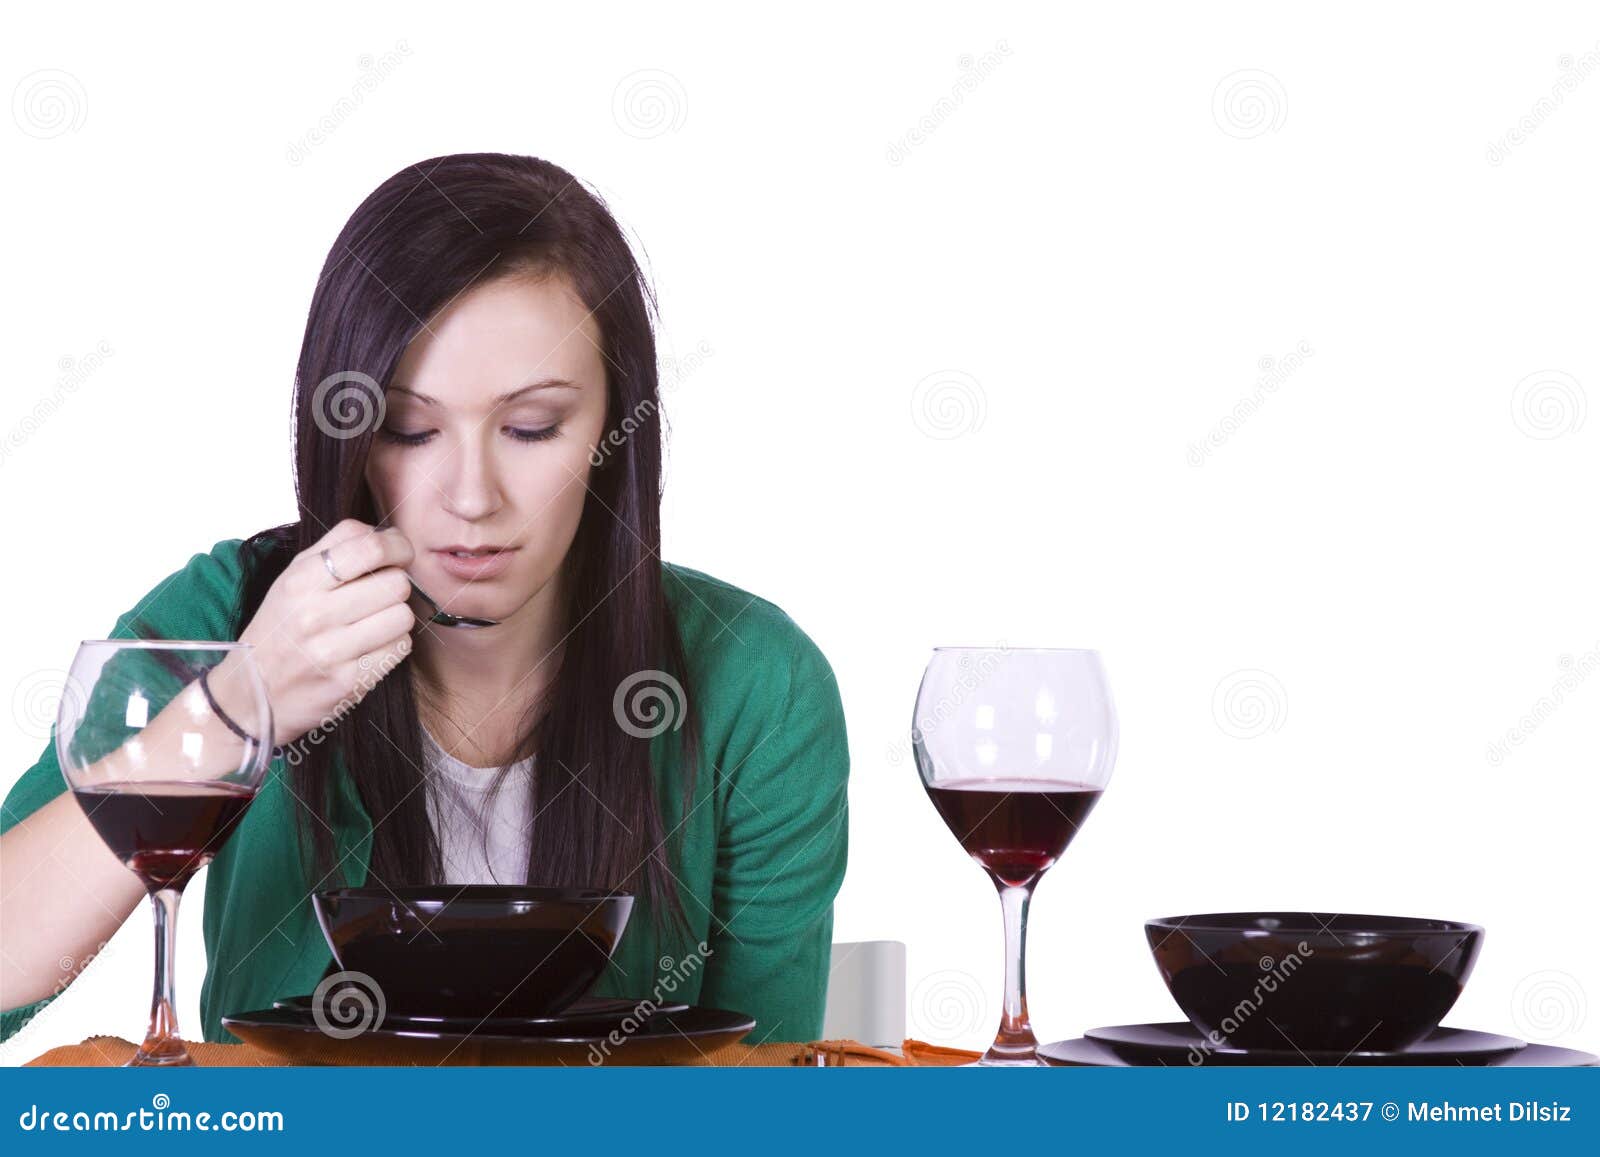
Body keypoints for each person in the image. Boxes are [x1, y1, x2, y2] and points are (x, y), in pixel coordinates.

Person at [0, 152, 849, 1048]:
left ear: (614, 423)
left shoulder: (756, 684)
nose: (472, 497)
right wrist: (244, 702)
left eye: (531, 428)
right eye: (409, 429)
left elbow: (769, 1083)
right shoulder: (229, 613)